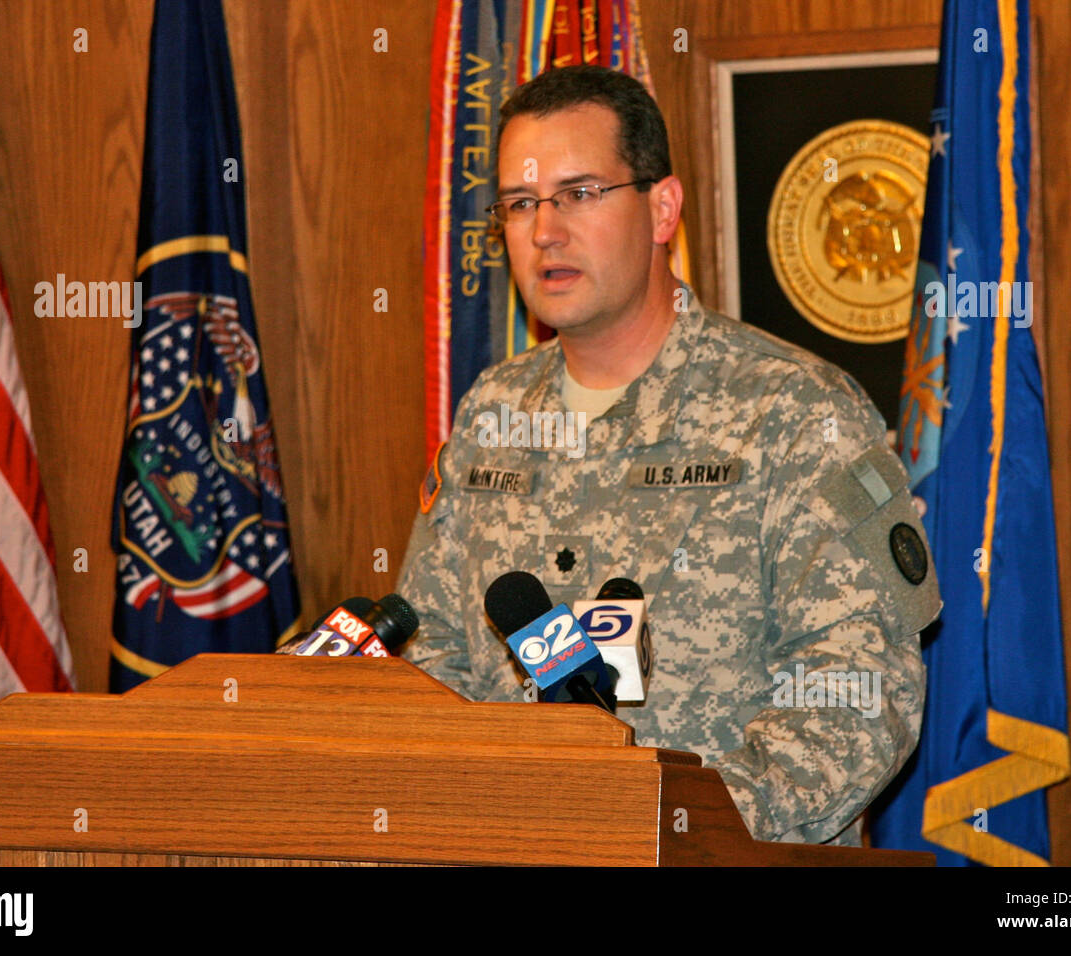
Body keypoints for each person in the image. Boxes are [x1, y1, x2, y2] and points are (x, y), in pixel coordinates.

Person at [396, 64, 941, 845]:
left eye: (579, 193)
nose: (545, 229)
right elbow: (430, 657)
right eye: (520, 204)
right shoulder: (493, 413)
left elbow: (858, 700)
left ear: (662, 209)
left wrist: (658, 829)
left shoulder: (794, 411)